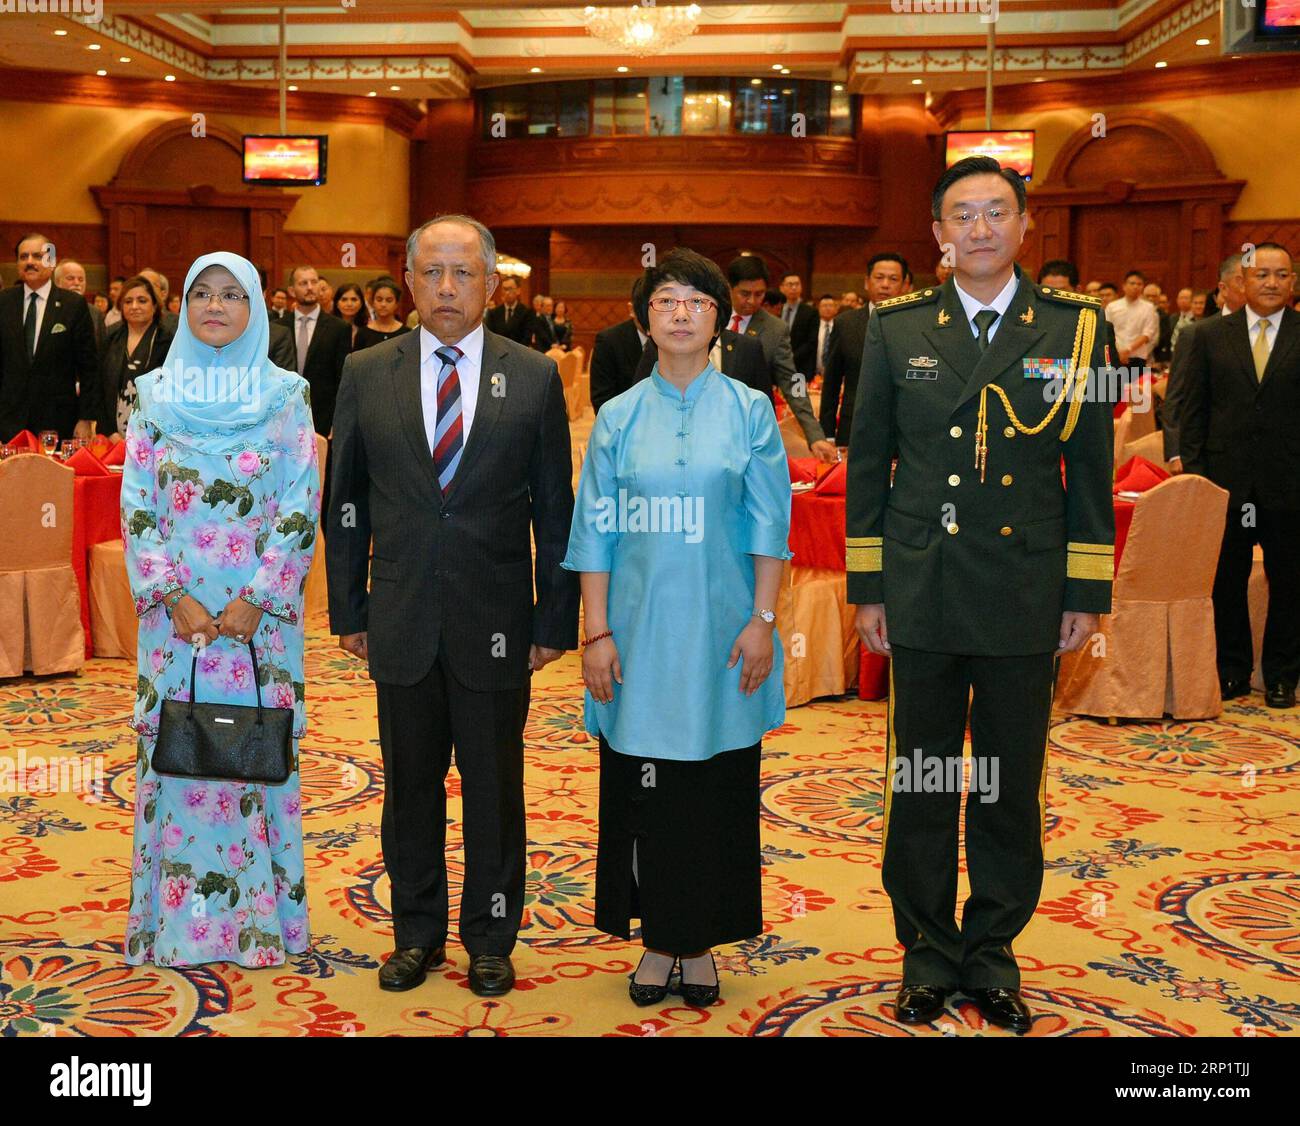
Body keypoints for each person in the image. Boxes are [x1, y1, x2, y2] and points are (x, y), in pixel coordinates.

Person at [847, 156, 1114, 1033]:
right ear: (937, 234)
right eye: (961, 215)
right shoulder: (894, 329)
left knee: (1006, 779)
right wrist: (869, 586)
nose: (979, 229)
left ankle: (993, 951)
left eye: (996, 212)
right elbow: (868, 465)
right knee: (922, 776)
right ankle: (926, 950)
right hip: (924, 583)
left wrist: (1086, 589)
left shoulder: (1078, 331)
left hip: (1023, 586)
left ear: (1025, 226)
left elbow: (1090, 471)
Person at [327, 214, 578, 997]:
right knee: (408, 790)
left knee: (495, 791)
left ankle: (491, 937)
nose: (445, 287)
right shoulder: (367, 371)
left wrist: (551, 620)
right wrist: (349, 611)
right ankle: (417, 936)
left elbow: (554, 512)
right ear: (406, 280)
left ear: (491, 284)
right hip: (399, 617)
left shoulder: (533, 376)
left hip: (499, 624)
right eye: (430, 272)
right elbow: (347, 503)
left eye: (462, 273)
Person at [563, 247, 791, 1008]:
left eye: (697, 300)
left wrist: (764, 621)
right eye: (666, 300)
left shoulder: (750, 410)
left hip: (727, 635)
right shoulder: (619, 417)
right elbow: (593, 532)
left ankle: (701, 941)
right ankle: (658, 939)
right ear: (645, 321)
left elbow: (769, 523)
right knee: (643, 785)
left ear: (720, 319)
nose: (682, 312)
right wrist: (596, 633)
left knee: (717, 783)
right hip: (636, 636)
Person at [120, 250, 321, 967]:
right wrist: (173, 593)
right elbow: (137, 502)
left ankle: (263, 928)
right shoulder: (152, 395)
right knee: (178, 755)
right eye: (201, 292)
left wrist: (257, 599)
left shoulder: (286, 394)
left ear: (256, 308)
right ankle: (175, 927)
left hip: (256, 625)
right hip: (174, 621)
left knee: (254, 753)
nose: (214, 305)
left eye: (232, 295)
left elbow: (301, 502)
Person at [1178, 242, 1299, 709]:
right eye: (1262, 274)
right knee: (1225, 580)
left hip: (1289, 485)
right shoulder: (1209, 335)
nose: (1271, 283)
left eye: (1282, 275)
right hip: (1225, 484)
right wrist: (1196, 476)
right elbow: (1192, 411)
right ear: (1240, 282)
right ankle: (1231, 670)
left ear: (1292, 282)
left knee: (1289, 581)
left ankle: (1283, 675)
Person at [725, 254, 837, 462]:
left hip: (752, 428)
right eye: (744, 293)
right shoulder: (710, 318)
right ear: (729, 288)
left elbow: (792, 382)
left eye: (759, 294)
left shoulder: (775, 330)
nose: (751, 301)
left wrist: (815, 436)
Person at [0, 232, 98, 441]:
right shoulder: (3, 302)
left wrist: (86, 418)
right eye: (23, 257)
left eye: (37, 256)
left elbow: (89, 367)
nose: (29, 262)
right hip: (8, 421)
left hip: (57, 420)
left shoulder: (73, 306)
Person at [819, 253, 911, 446]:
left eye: (893, 279)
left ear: (904, 286)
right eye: (879, 278)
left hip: (903, 432)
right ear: (867, 282)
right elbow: (832, 382)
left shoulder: (916, 325)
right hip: (854, 428)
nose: (885, 284)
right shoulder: (846, 323)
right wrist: (827, 433)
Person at [96, 274, 172, 440]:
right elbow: (99, 389)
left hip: (154, 436)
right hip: (113, 436)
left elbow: (172, 396)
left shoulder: (167, 342)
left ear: (155, 305)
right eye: (128, 301)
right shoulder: (110, 339)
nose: (134, 306)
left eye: (142, 300)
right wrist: (109, 432)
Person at [285, 265, 350, 437]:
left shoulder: (339, 328)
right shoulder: (279, 327)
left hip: (323, 416)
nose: (310, 287)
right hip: (284, 415)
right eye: (303, 283)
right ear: (292, 290)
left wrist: (338, 420)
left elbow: (342, 377)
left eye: (314, 282)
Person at [1105, 270, 1160, 369]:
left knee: (1138, 385)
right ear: (1124, 286)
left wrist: (1128, 350)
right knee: (1114, 384)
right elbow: (1107, 331)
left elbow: (1148, 334)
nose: (1135, 287)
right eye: (1132, 283)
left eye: (1139, 284)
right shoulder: (1112, 307)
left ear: (1142, 287)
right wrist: (1118, 352)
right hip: (1115, 355)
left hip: (1138, 357)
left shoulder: (1149, 307)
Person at [54, 259, 106, 351]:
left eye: (81, 279)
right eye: (70, 278)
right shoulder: (48, 309)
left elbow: (101, 348)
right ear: (57, 282)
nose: (77, 283)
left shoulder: (95, 312)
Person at [778, 273, 819, 378]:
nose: (794, 287)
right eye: (790, 284)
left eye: (797, 284)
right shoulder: (777, 309)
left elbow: (811, 342)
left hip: (800, 367)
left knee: (798, 394)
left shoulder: (811, 312)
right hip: (777, 366)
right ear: (782, 288)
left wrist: (790, 357)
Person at [353, 279, 411, 350]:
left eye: (389, 300)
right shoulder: (363, 333)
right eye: (379, 300)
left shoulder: (406, 333)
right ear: (372, 302)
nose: (383, 304)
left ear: (397, 303)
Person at [483, 275, 535, 344]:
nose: (507, 292)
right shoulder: (494, 313)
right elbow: (489, 336)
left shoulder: (526, 312)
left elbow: (527, 338)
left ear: (518, 290)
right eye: (505, 289)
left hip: (519, 351)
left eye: (510, 289)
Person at [332, 282, 369, 349]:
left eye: (354, 299)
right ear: (337, 304)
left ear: (361, 304)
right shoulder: (329, 327)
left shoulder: (369, 327)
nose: (349, 304)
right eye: (344, 299)